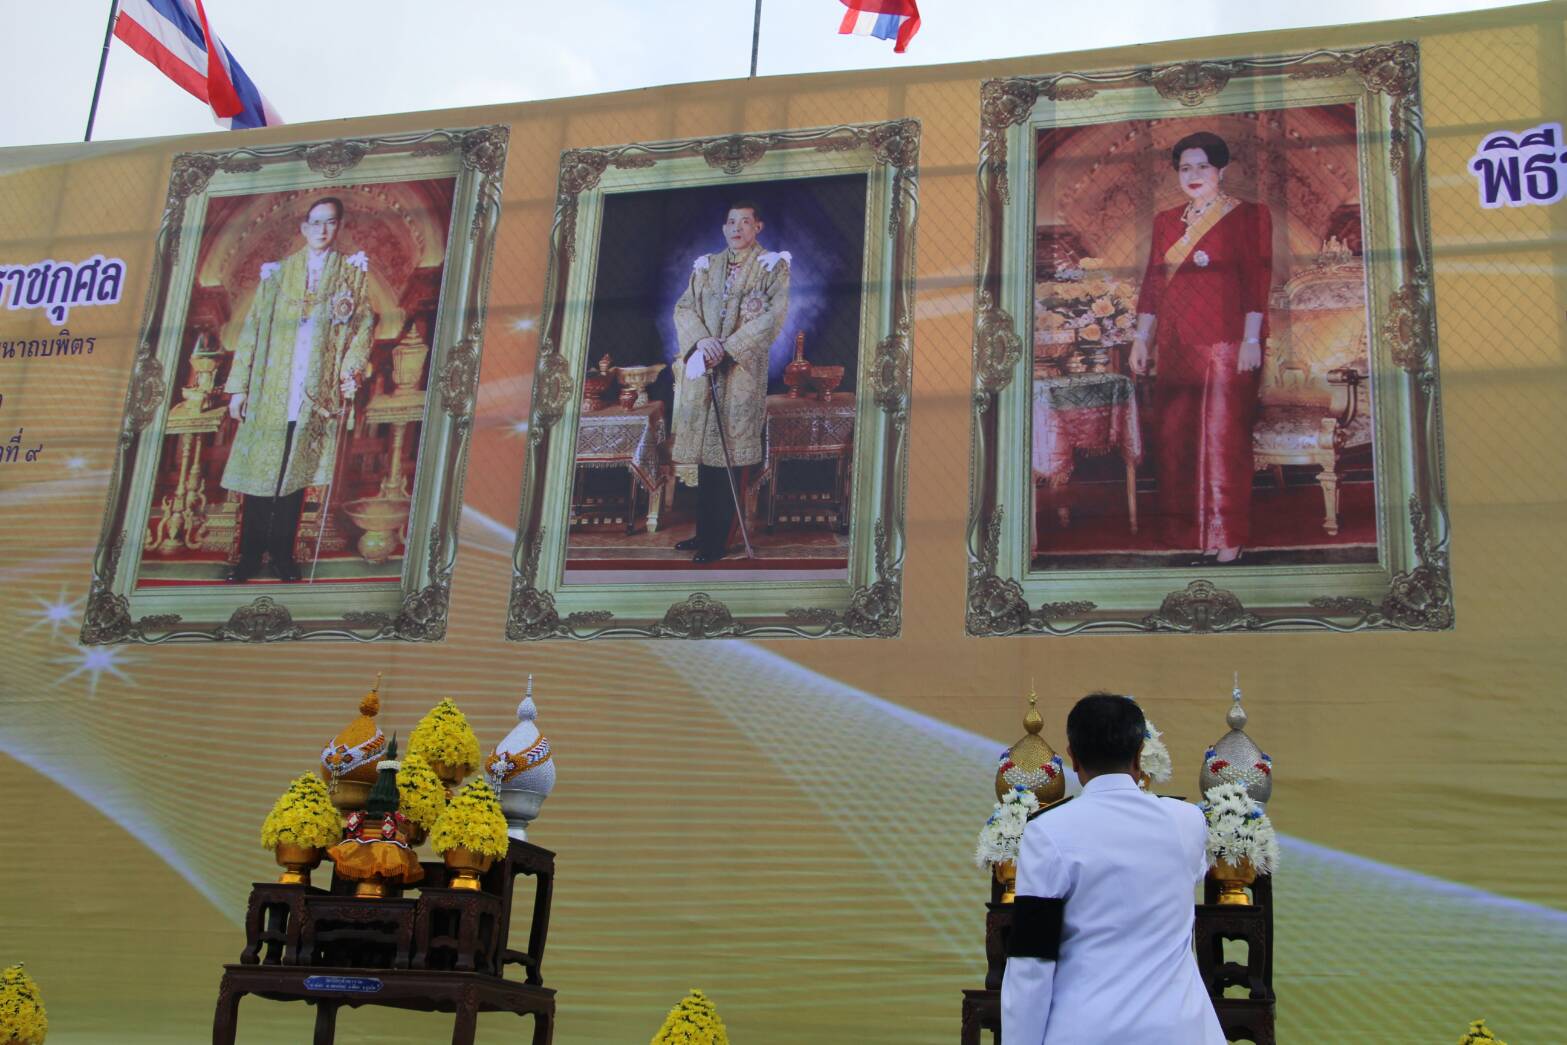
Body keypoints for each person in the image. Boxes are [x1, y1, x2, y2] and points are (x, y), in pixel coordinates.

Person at [1001, 693, 1223, 1045]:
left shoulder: (1048, 832)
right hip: (1180, 1030)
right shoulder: (1187, 823)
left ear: (1072, 758)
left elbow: (1032, 962)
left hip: (1088, 1029)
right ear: (1139, 756)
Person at [1130, 132, 1273, 564]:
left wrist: (1251, 339)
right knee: (1176, 440)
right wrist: (1141, 338)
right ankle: (1190, 534)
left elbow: (1256, 280)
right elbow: (1153, 284)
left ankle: (1228, 535)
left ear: (1221, 170)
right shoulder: (1165, 221)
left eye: (1202, 167)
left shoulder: (1250, 216)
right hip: (1175, 346)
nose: (1193, 175)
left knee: (1222, 439)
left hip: (1227, 342)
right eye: (1185, 168)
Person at [220, 196, 373, 582]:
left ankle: (283, 556)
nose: (323, 230)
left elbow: (362, 328)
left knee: (293, 478)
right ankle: (250, 556)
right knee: (261, 475)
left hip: (314, 395)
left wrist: (349, 372)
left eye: (331, 222)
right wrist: (238, 389)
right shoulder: (276, 275)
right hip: (272, 388)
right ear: (303, 228)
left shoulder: (351, 273)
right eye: (316, 222)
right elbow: (253, 330)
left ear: (338, 227)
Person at [670, 201, 791, 563]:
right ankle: (705, 533)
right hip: (706, 367)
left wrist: (729, 347)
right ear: (724, 229)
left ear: (759, 226)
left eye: (745, 221)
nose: (737, 227)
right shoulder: (707, 266)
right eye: (731, 222)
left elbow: (773, 316)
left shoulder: (773, 265)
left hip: (740, 372)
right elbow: (684, 307)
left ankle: (719, 540)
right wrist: (703, 342)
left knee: (729, 458)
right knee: (709, 459)